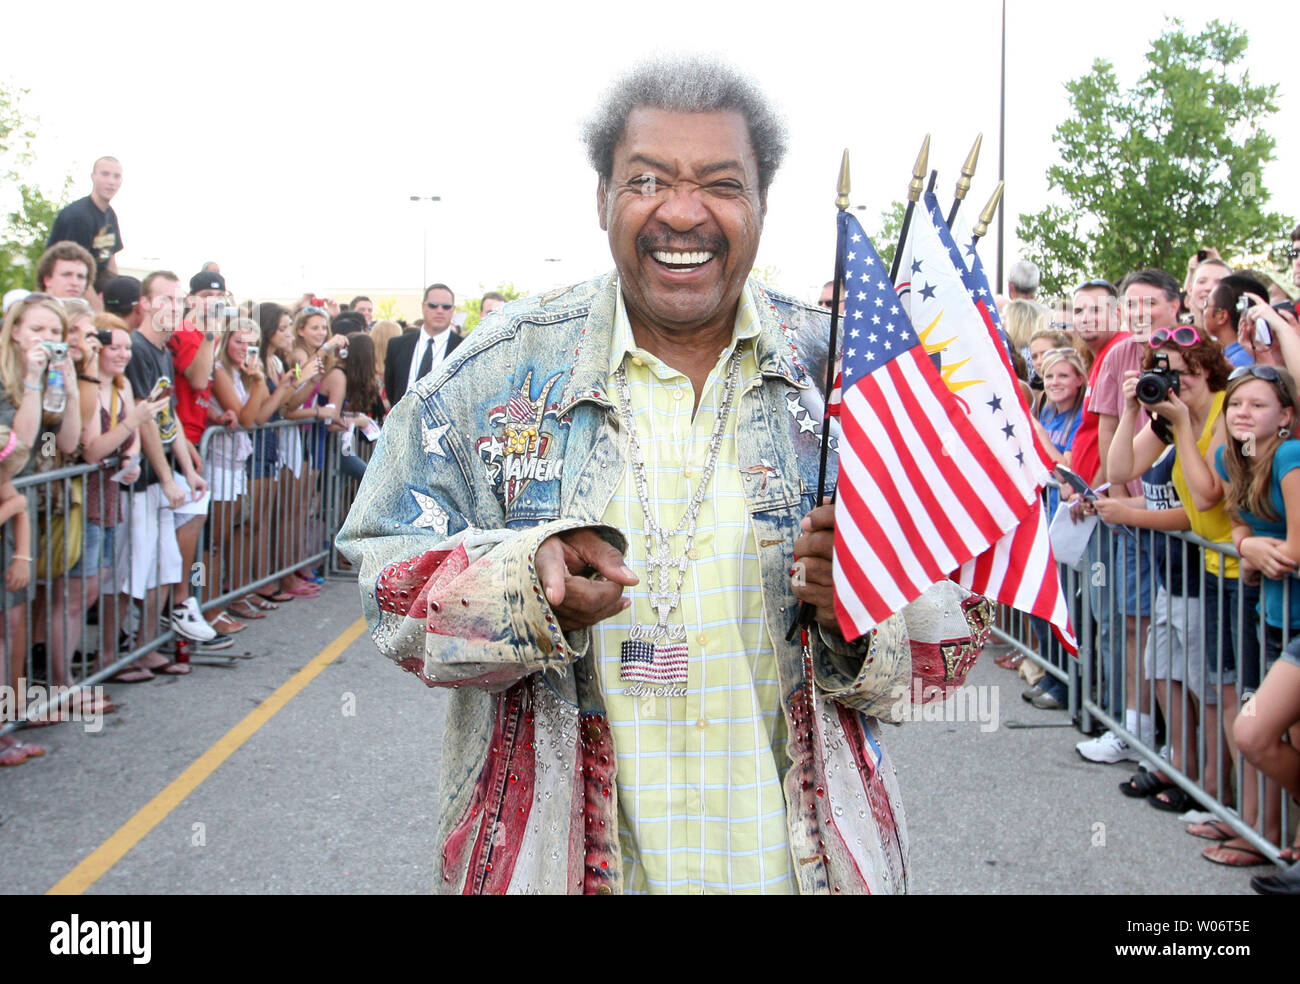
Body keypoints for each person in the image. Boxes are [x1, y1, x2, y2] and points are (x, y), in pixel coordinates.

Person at [337, 55, 990, 895]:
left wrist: (861, 606)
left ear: (760, 204)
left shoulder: (851, 378)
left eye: (721, 183)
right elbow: (381, 565)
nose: (683, 213)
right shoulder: (499, 373)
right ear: (602, 199)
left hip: (800, 869)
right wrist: (515, 589)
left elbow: (953, 631)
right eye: (647, 180)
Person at [115, 272, 213, 679]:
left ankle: (146, 646)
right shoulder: (136, 348)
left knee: (166, 564)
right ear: (145, 304)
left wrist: (187, 469)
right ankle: (120, 653)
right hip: (137, 480)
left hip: (160, 479)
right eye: (166, 301)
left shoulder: (161, 350)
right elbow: (145, 422)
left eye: (179, 302)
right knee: (132, 569)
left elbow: (167, 415)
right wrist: (168, 477)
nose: (175, 309)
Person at [47, 157, 124, 294]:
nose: (111, 182)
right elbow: (74, 272)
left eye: (116, 176)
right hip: (70, 291)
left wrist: (118, 293)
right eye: (105, 174)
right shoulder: (79, 216)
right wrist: (99, 311)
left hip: (97, 285)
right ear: (93, 177)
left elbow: (110, 258)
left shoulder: (110, 214)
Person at [383, 283, 462, 405]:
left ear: (452, 310)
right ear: (423, 307)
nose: (440, 311)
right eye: (433, 305)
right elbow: (391, 387)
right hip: (403, 420)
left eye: (446, 307)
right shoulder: (397, 346)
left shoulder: (463, 348)